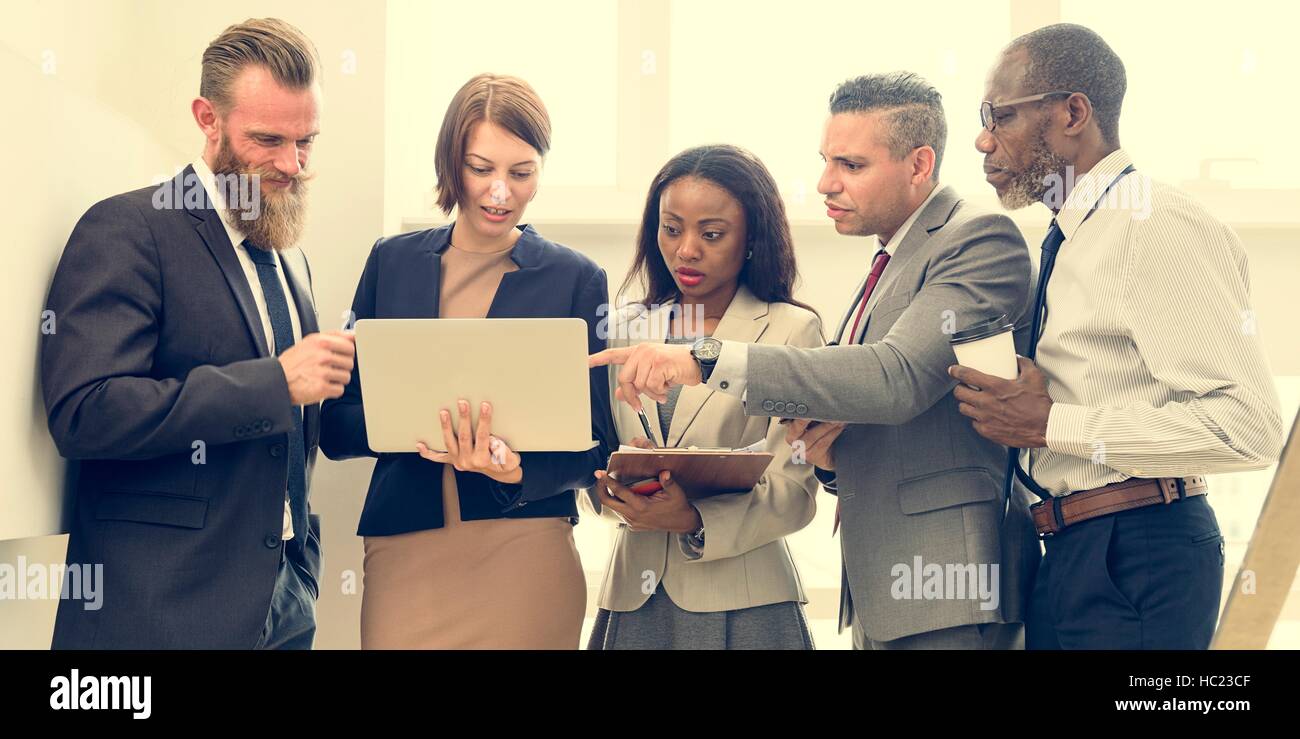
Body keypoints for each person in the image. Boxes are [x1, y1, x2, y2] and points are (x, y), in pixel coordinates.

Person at [590, 72, 1040, 650]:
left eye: (851, 165)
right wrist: (827, 455)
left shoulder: (977, 239)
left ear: (919, 165)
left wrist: (702, 359)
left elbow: (894, 379)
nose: (826, 183)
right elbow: (869, 421)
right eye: (827, 161)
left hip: (947, 583)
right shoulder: (887, 264)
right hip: (884, 590)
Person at [952, 23, 1284, 649]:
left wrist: (1053, 423)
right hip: (1072, 551)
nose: (982, 139)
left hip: (1138, 551)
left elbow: (1247, 428)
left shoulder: (1153, 226)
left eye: (1000, 116)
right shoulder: (1074, 238)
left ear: (1073, 112)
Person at [40, 18, 346, 648]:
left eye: (307, 141)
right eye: (269, 140)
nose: (293, 165)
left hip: (286, 598)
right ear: (208, 118)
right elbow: (84, 412)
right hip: (162, 612)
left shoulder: (290, 258)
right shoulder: (128, 229)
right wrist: (273, 383)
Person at [319, 74, 615, 649]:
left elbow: (596, 450)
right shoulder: (392, 262)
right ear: (451, 163)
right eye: (481, 169)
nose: (500, 192)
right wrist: (413, 424)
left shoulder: (576, 279)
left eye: (521, 173)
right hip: (405, 554)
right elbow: (334, 425)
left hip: (526, 556)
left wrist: (516, 469)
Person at [582, 144, 824, 649]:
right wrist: (609, 491)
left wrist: (694, 519)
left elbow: (795, 493)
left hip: (748, 604)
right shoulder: (624, 329)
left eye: (711, 234)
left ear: (752, 238)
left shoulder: (790, 330)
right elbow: (596, 463)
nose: (686, 250)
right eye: (671, 229)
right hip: (634, 597)